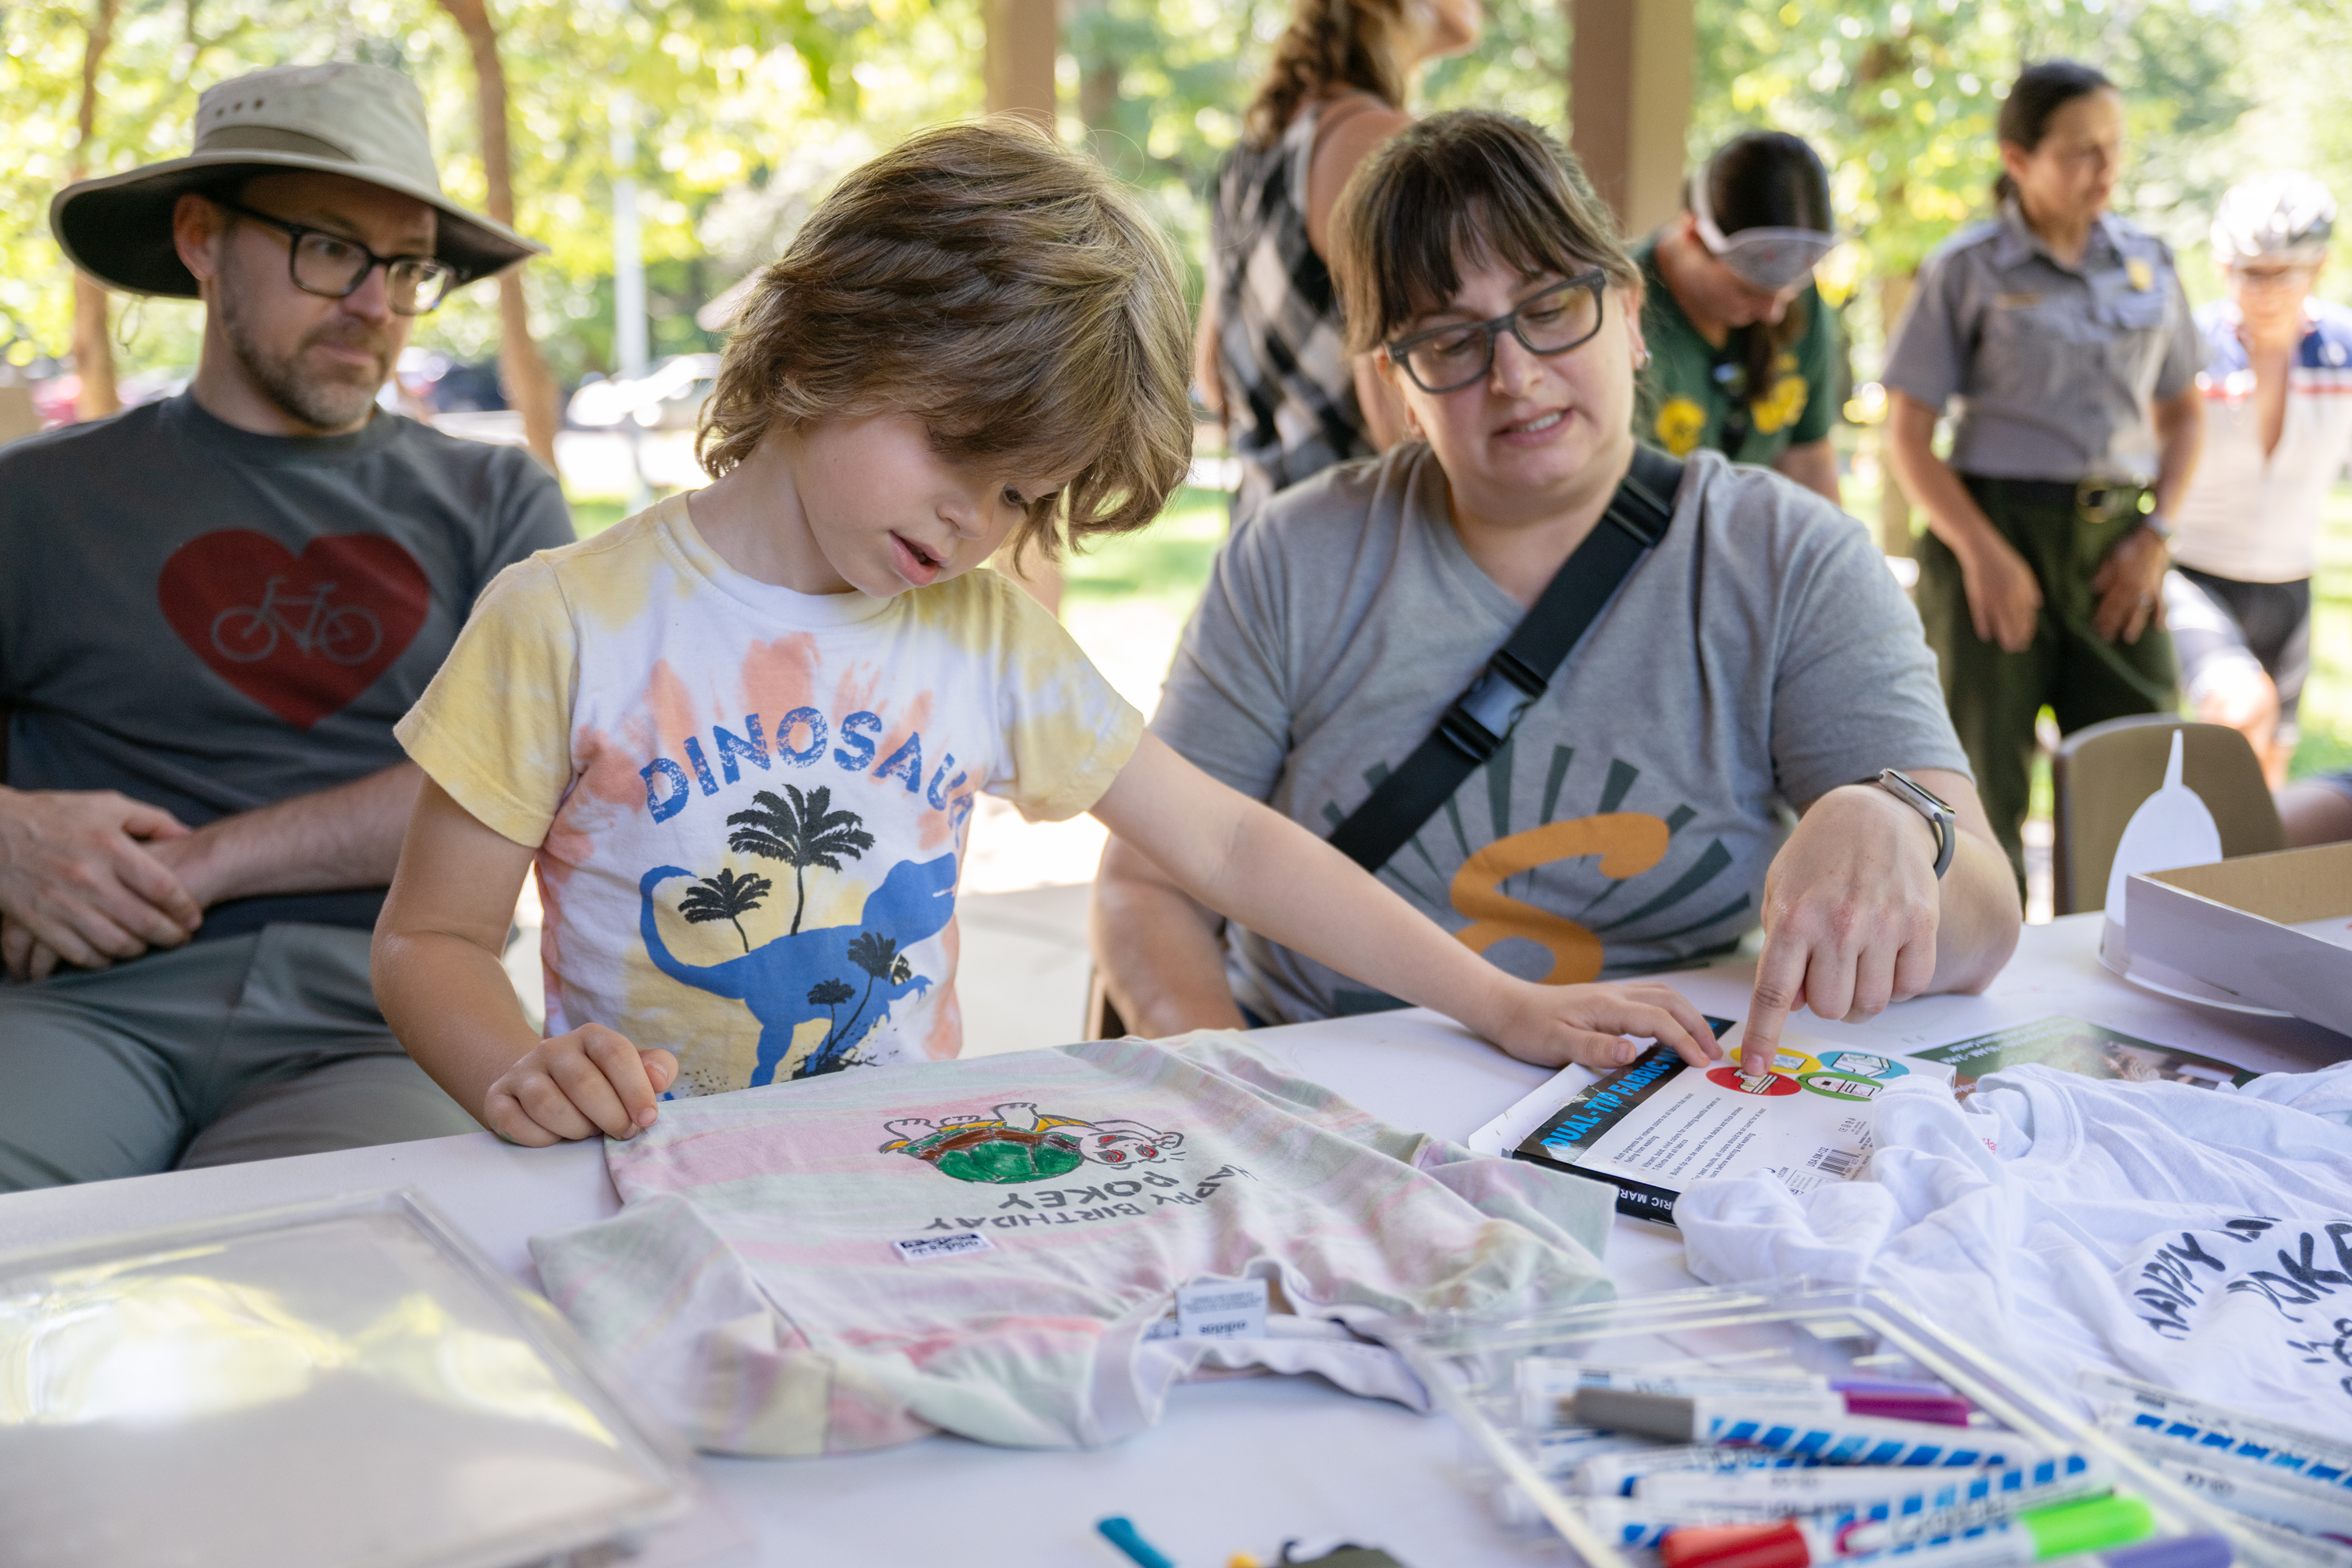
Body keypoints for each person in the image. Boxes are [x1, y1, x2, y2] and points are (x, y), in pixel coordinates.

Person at [372, 120, 1726, 1151]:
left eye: (1025, 494)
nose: (977, 520)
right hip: (636, 1174)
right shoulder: (565, 622)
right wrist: (516, 1067)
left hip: (900, 1174)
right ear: (822, 336)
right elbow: (431, 942)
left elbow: (1228, 842)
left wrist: (1499, 1005)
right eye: (961, 448)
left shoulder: (981, 637)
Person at [1091, 111, 2020, 1080]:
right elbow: (1147, 888)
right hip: (1333, 1095)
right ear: (1394, 383)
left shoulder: (1788, 557)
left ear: (1627, 311)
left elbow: (1988, 925)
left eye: (1549, 308)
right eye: (1450, 341)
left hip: (1665, 1103)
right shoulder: (1293, 557)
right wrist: (1245, 1098)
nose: (1515, 375)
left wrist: (1900, 829)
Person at [0, 63, 574, 1191]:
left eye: (407, 267)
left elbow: (518, 778)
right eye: (328, 248)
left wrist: (210, 862)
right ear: (202, 239)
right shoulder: (31, 502)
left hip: (383, 1007)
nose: (375, 303)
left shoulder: (499, 504)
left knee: (351, 1302)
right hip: (74, 1008)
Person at [1882, 60, 2205, 882]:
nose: (2104, 170)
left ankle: (2132, 969)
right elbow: (1911, 437)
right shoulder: (1967, 269)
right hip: (1993, 532)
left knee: (2139, 769)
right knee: (1977, 778)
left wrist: (2156, 533)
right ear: (2017, 157)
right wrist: (1986, 556)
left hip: (2119, 544)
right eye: (2078, 152)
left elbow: (2183, 414)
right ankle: (1987, 980)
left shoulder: (2150, 262)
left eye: (2112, 148)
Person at [1200, 0, 1481, 518]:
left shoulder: (1250, 156)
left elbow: (1210, 374)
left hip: (1265, 542)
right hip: (1362, 549)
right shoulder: (1377, 141)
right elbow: (1401, 415)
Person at [2161, 174, 2351, 788]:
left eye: (2282, 273)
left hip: (2289, 586)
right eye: (2248, 273)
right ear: (2222, 266)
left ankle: (2226, 882)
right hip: (2194, 575)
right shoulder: (2189, 346)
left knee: (2267, 778)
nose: (2263, 291)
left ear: (2318, 268)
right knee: (2241, 715)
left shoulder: (2343, 350)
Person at [1637, 131, 1843, 503]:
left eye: (1789, 289)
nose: (1773, 312)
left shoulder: (1805, 304)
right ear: (1692, 236)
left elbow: (1809, 464)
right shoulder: (1624, 310)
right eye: (1749, 290)